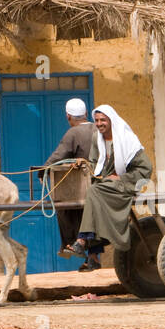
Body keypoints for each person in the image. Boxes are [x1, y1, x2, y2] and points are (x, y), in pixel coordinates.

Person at [59, 103, 153, 260]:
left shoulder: (126, 138)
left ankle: (82, 241)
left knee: (94, 191)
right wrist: (84, 163)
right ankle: (91, 250)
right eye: (96, 120)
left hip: (128, 184)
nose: (99, 123)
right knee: (93, 192)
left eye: (103, 120)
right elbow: (97, 166)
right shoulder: (98, 138)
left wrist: (121, 178)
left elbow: (146, 169)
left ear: (111, 121)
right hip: (106, 185)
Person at [42, 99, 98, 268]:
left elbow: (59, 156)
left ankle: (70, 243)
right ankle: (93, 258)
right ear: (86, 114)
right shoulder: (98, 129)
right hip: (101, 184)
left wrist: (42, 170)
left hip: (85, 186)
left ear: (68, 116)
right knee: (88, 215)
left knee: (64, 207)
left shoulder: (73, 133)